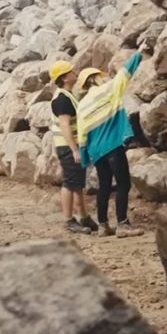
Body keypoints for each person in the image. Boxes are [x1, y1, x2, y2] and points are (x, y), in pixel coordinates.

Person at [75, 53, 145, 238]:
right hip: (112, 145)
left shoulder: (81, 106)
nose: (102, 77)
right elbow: (125, 73)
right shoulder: (108, 90)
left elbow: (81, 134)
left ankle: (103, 226)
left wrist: (84, 156)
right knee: (123, 183)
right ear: (93, 79)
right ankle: (122, 224)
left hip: (96, 151)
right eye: (99, 75)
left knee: (104, 185)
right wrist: (138, 53)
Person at [48, 60, 97, 235]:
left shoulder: (67, 96)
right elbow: (65, 126)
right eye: (71, 71)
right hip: (68, 147)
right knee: (70, 183)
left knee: (77, 183)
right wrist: (74, 149)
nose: (74, 73)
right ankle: (69, 220)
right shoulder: (62, 100)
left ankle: (82, 216)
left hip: (73, 146)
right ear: (65, 78)